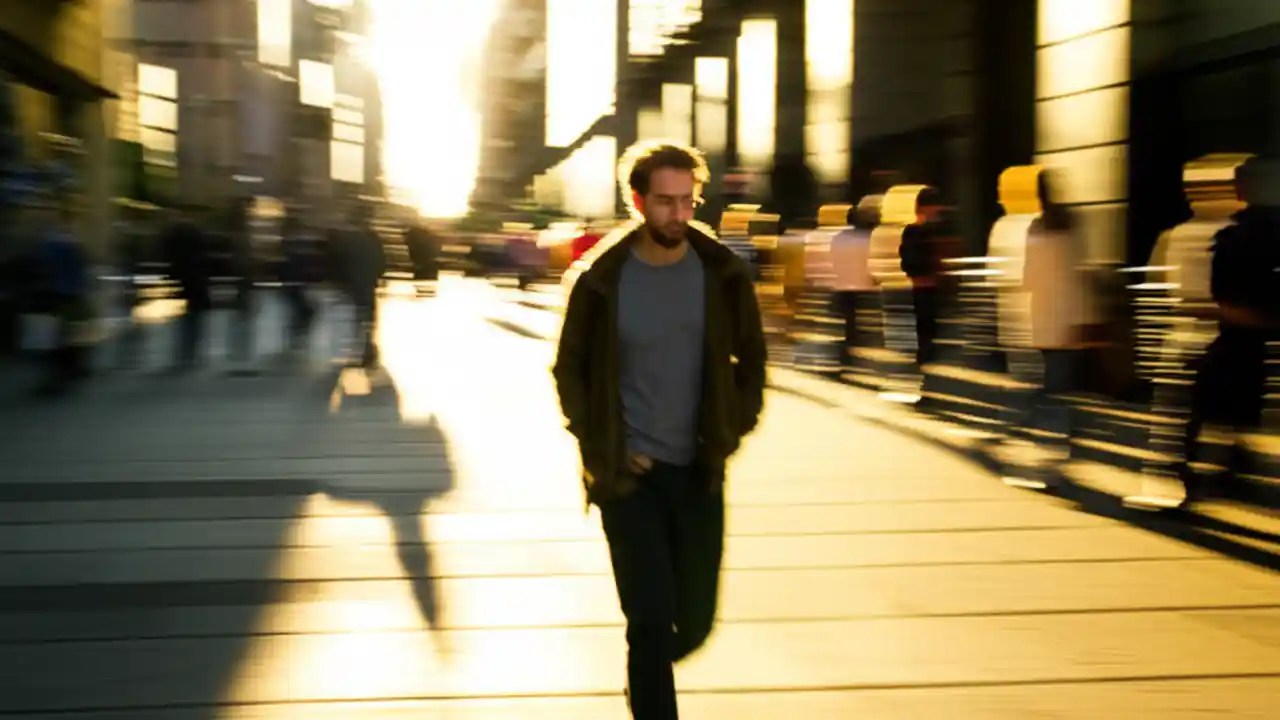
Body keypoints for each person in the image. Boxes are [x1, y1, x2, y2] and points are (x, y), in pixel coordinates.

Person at [552, 142, 767, 720]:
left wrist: (730, 430)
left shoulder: (721, 273)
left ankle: (644, 675)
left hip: (697, 471)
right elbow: (568, 369)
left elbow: (753, 360)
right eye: (666, 202)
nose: (678, 214)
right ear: (639, 201)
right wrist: (605, 450)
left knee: (694, 620)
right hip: (628, 478)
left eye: (687, 201)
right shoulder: (601, 279)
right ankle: (650, 693)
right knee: (648, 618)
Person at [1178, 157, 1280, 505]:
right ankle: (1227, 473)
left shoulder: (1238, 234)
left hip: (1241, 335)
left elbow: (1219, 292)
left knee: (1205, 410)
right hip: (1252, 337)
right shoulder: (1250, 230)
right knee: (1229, 411)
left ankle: (1202, 476)